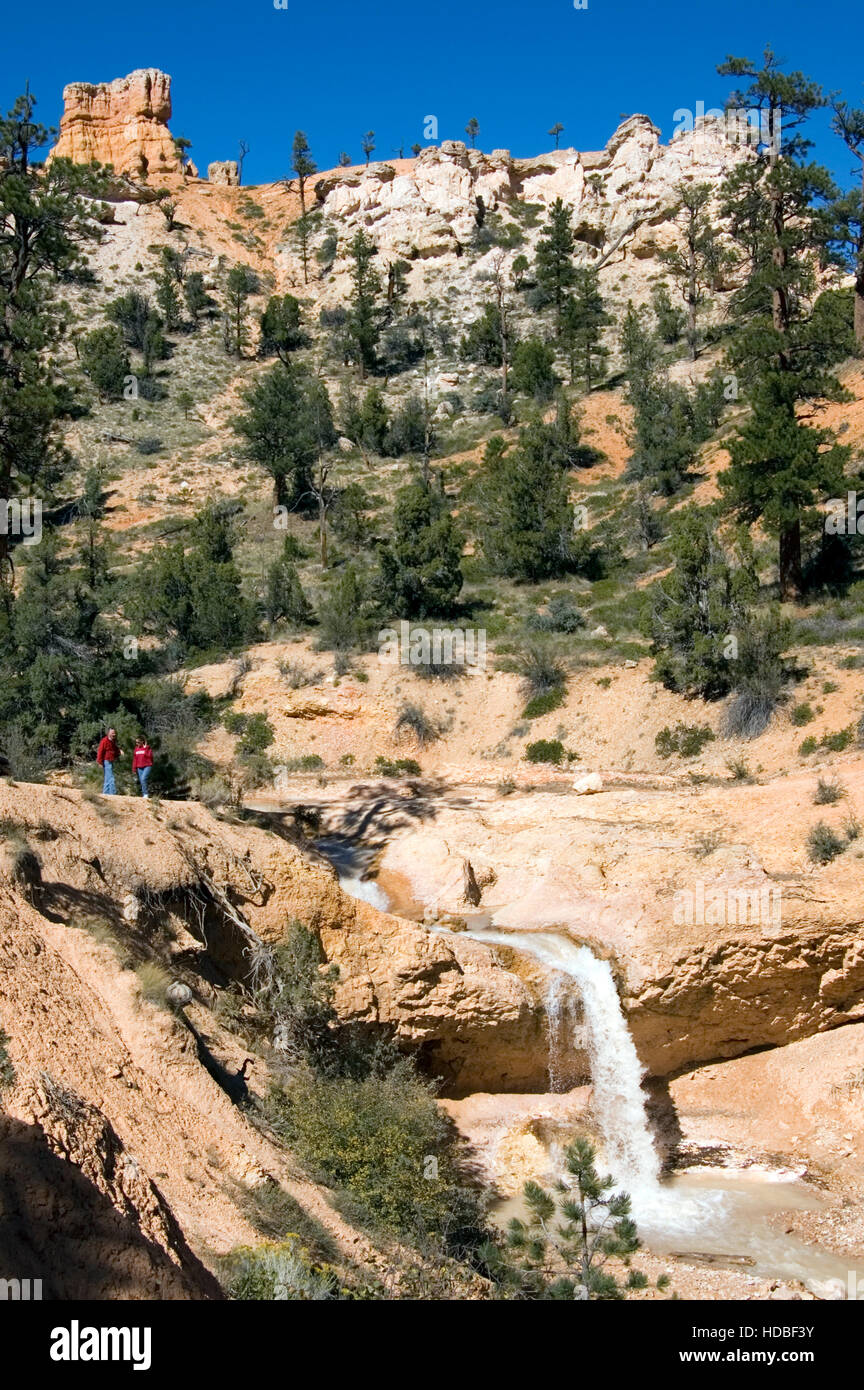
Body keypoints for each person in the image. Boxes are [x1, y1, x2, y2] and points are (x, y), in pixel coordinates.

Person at [96, 728, 123, 795]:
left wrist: (120, 751)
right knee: (111, 778)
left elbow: (115, 749)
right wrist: (99, 762)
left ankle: (105, 793)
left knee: (107, 778)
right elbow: (100, 751)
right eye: (112, 733)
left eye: (114, 733)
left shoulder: (112, 741)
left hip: (111, 761)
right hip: (106, 761)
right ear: (108, 733)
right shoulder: (104, 741)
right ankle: (112, 793)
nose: (114, 734)